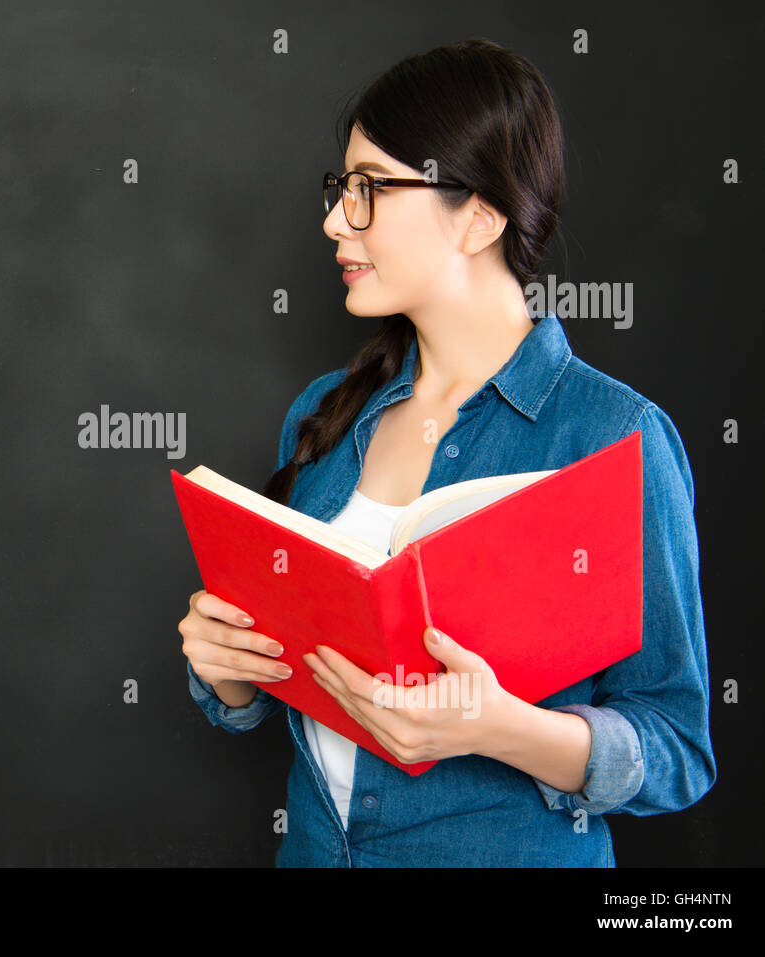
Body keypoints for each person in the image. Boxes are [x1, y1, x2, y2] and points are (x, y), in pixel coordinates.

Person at [178, 37, 715, 867]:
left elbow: (676, 749)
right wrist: (229, 671)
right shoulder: (323, 413)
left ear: (479, 216)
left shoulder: (616, 435)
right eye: (337, 188)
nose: (333, 220)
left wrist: (503, 729)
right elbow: (270, 688)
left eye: (367, 191)